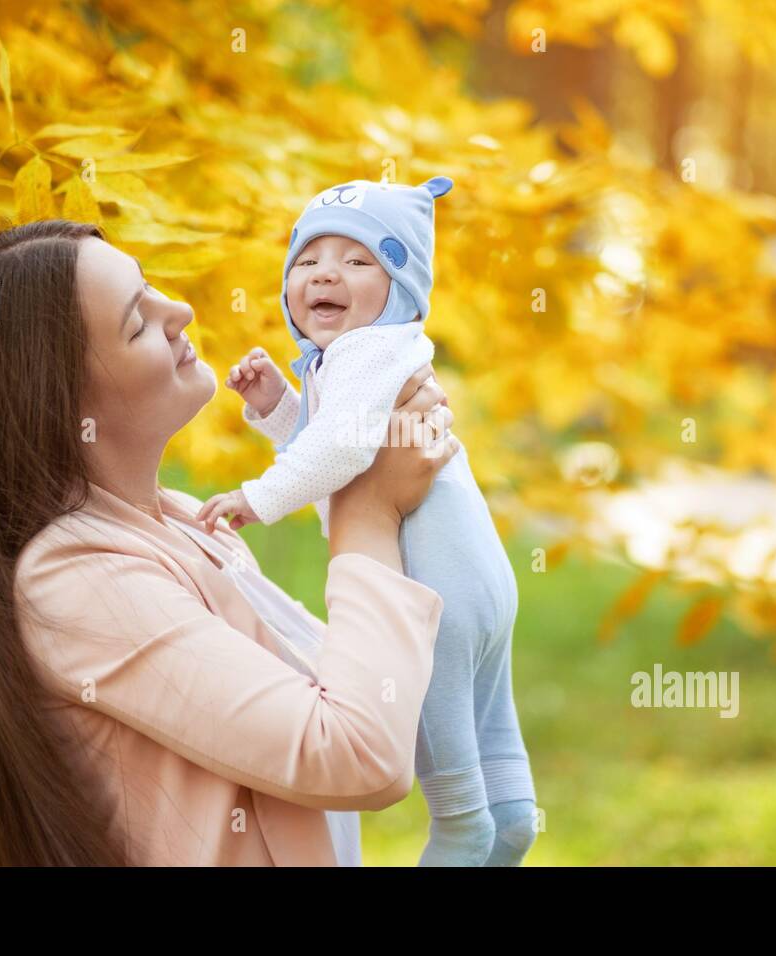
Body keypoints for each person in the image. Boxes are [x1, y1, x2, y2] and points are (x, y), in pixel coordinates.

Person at [0, 218, 457, 865]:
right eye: (136, 322)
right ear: (57, 398)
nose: (180, 311)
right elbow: (353, 754)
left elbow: (350, 688)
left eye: (150, 289)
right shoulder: (77, 580)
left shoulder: (179, 521)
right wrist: (368, 516)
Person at [196, 178, 538, 866]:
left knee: (460, 823)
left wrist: (257, 497)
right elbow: (342, 449)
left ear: (403, 290)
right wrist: (276, 408)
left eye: (358, 261)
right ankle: (509, 823)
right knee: (507, 809)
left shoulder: (369, 349)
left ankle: (468, 836)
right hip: (480, 582)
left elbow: (345, 450)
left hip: (433, 601)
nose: (326, 271)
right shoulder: (355, 361)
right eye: (308, 258)